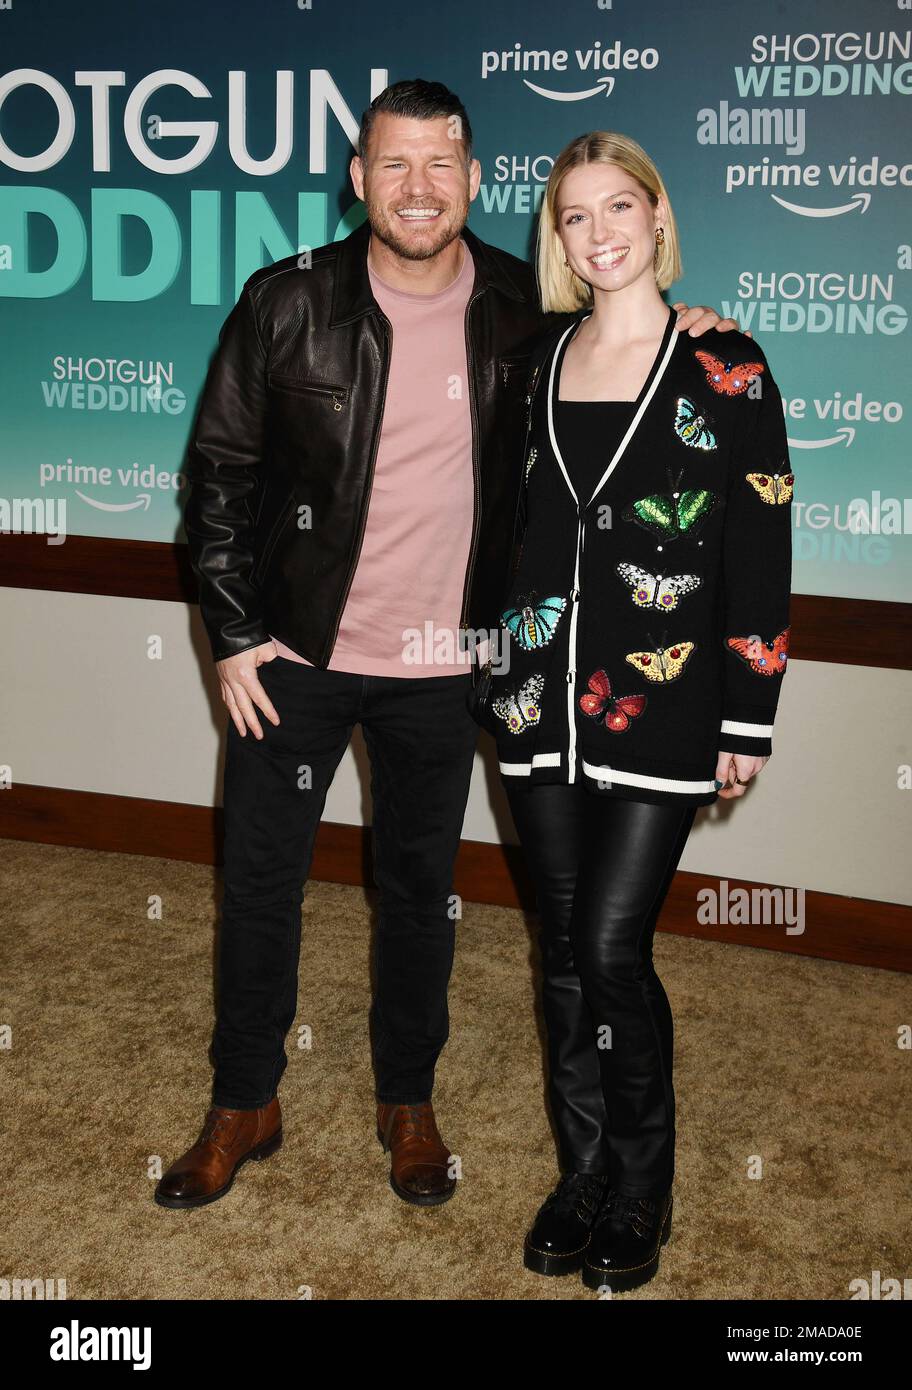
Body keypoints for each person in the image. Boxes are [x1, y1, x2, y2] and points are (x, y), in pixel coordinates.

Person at [156, 81, 740, 1214]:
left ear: (475, 181)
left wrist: (695, 328)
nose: (418, 187)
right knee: (261, 882)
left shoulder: (529, 311)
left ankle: (408, 1099)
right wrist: (233, 635)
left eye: (442, 165)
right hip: (297, 659)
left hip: (449, 665)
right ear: (360, 180)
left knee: (421, 893)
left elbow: (629, 361)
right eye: (394, 164)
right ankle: (244, 1101)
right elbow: (218, 475)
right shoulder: (287, 304)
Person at [473, 131, 792, 1289]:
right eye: (574, 215)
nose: (599, 231)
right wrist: (481, 664)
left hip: (663, 711)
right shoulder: (533, 360)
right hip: (531, 701)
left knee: (611, 944)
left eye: (620, 207)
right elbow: (499, 532)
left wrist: (747, 718)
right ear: (555, 237)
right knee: (559, 947)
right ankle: (585, 1170)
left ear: (658, 218)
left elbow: (760, 548)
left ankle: (644, 1184)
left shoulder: (729, 365)